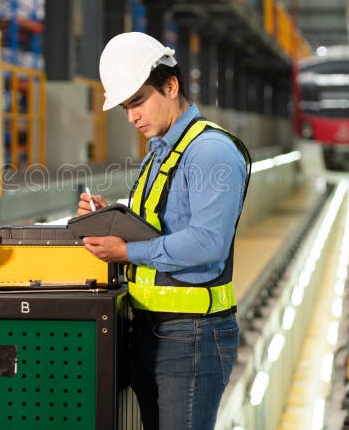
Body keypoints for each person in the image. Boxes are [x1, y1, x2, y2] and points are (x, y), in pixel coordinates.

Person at [77, 32, 251, 430]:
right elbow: (155, 229)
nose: (132, 116)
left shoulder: (210, 151)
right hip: (154, 329)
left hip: (191, 336)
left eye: (138, 102)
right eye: (125, 107)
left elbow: (209, 243)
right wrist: (107, 217)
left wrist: (126, 253)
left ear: (170, 86)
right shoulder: (163, 151)